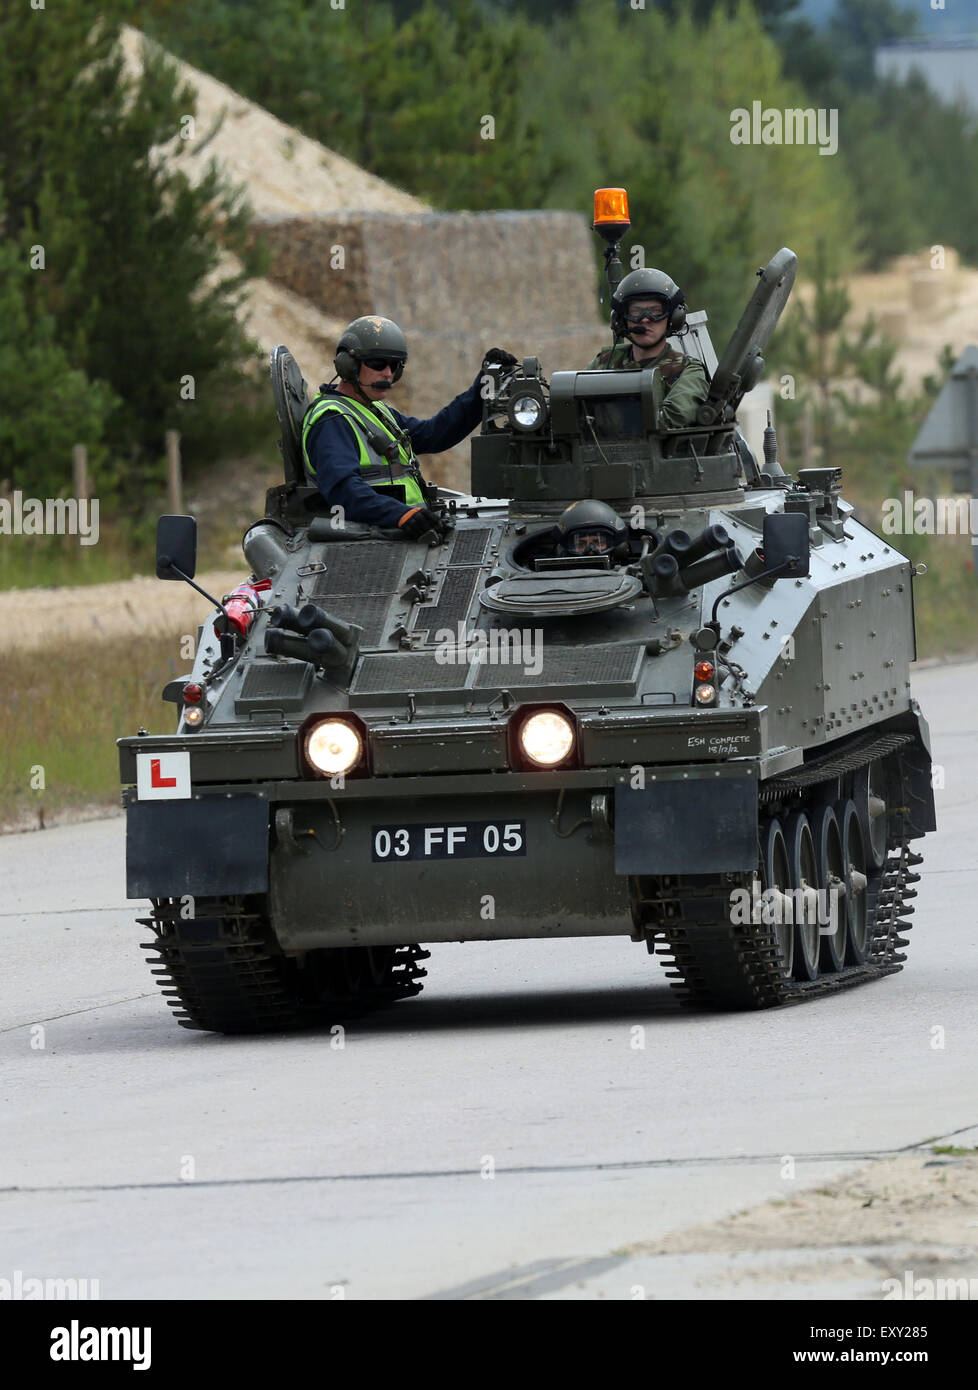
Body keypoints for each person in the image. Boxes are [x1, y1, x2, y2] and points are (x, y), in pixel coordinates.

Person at [302, 316, 516, 539]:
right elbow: (344, 490)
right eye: (378, 364)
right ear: (348, 365)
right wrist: (401, 515)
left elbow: (433, 434)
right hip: (372, 539)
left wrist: (483, 387)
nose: (388, 373)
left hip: (403, 530)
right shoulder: (333, 420)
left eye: (394, 365)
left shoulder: (374, 410)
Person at [587, 268, 709, 429]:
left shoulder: (687, 369)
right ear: (621, 320)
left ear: (673, 318)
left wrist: (607, 417)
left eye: (655, 311)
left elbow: (674, 416)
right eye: (636, 311)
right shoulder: (603, 363)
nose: (645, 320)